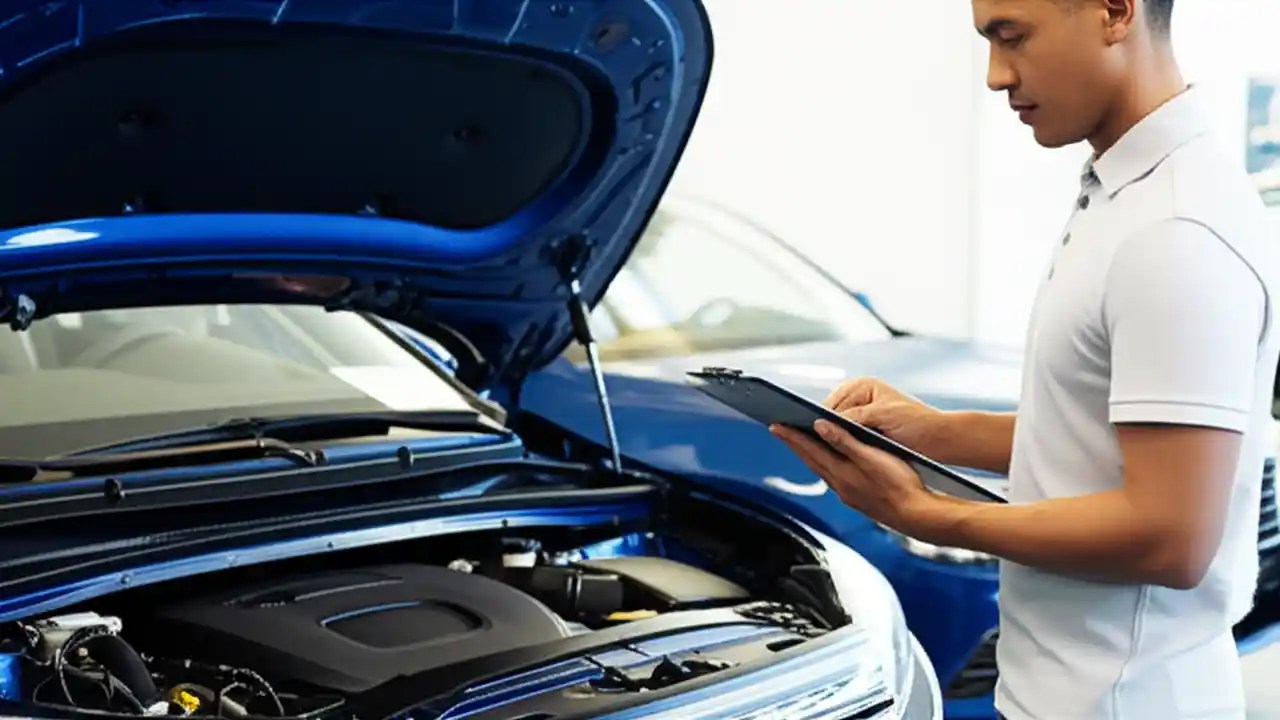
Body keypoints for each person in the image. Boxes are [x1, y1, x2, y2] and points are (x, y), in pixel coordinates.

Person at [770, 0, 1280, 718]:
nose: (994, 76)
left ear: (1114, 11)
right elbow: (1097, 437)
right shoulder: (1124, 195)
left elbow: (1171, 536)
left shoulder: (1176, 230)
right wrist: (929, 430)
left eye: (1011, 37)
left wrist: (927, 512)